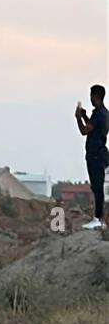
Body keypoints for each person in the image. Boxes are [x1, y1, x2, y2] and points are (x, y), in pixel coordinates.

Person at [75, 84, 107, 230]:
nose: (90, 98)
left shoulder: (99, 113)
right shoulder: (105, 113)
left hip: (95, 155)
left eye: (91, 95)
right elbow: (93, 127)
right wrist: (85, 116)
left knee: (97, 187)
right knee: (100, 187)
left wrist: (78, 118)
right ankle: (100, 218)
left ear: (95, 96)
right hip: (102, 153)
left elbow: (84, 131)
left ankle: (98, 219)